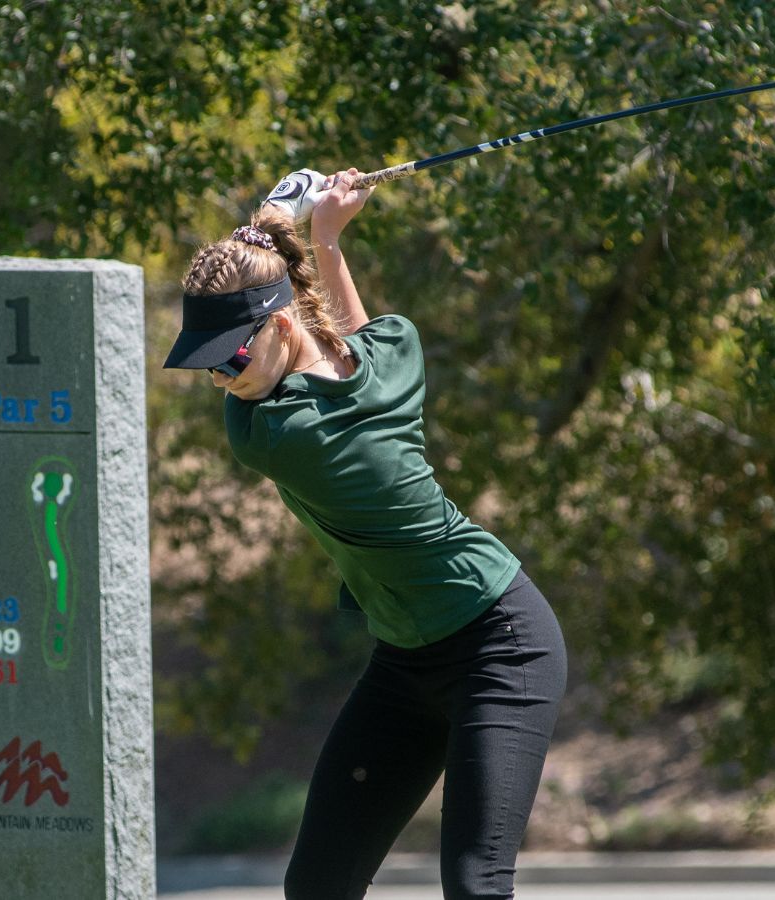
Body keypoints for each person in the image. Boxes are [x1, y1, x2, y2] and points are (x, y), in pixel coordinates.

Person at [162, 168, 568, 900]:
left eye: (229, 358)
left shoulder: (275, 435)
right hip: (408, 662)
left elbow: (329, 333)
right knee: (318, 885)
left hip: (503, 645)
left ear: (281, 325)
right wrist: (320, 237)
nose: (221, 380)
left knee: (478, 886)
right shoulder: (395, 360)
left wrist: (284, 219)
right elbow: (351, 335)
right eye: (206, 367)